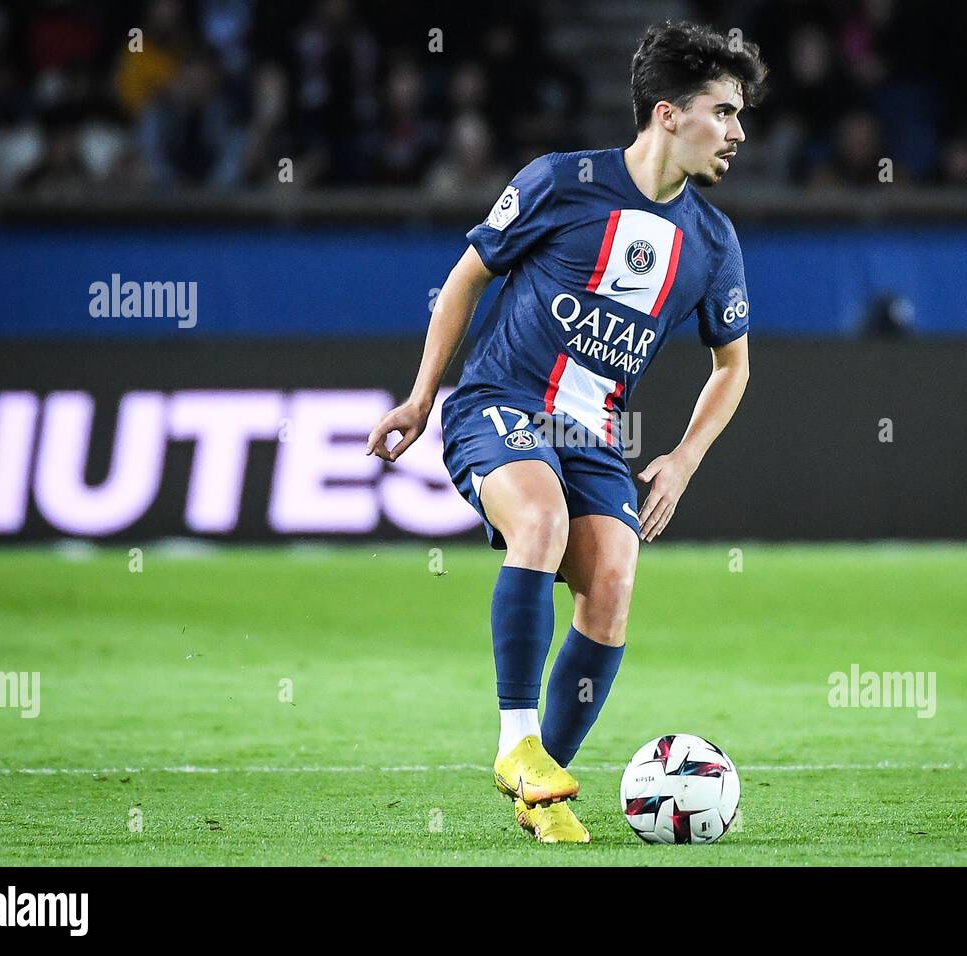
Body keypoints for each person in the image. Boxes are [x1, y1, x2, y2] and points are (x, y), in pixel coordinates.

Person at [366, 20, 765, 843]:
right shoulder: (560, 182)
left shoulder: (714, 242)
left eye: (739, 116)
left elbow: (734, 367)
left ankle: (540, 796)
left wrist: (684, 461)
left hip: (591, 435)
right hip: (497, 401)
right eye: (722, 113)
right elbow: (467, 275)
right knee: (539, 520)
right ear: (666, 114)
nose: (737, 133)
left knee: (613, 581)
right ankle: (517, 747)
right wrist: (418, 397)